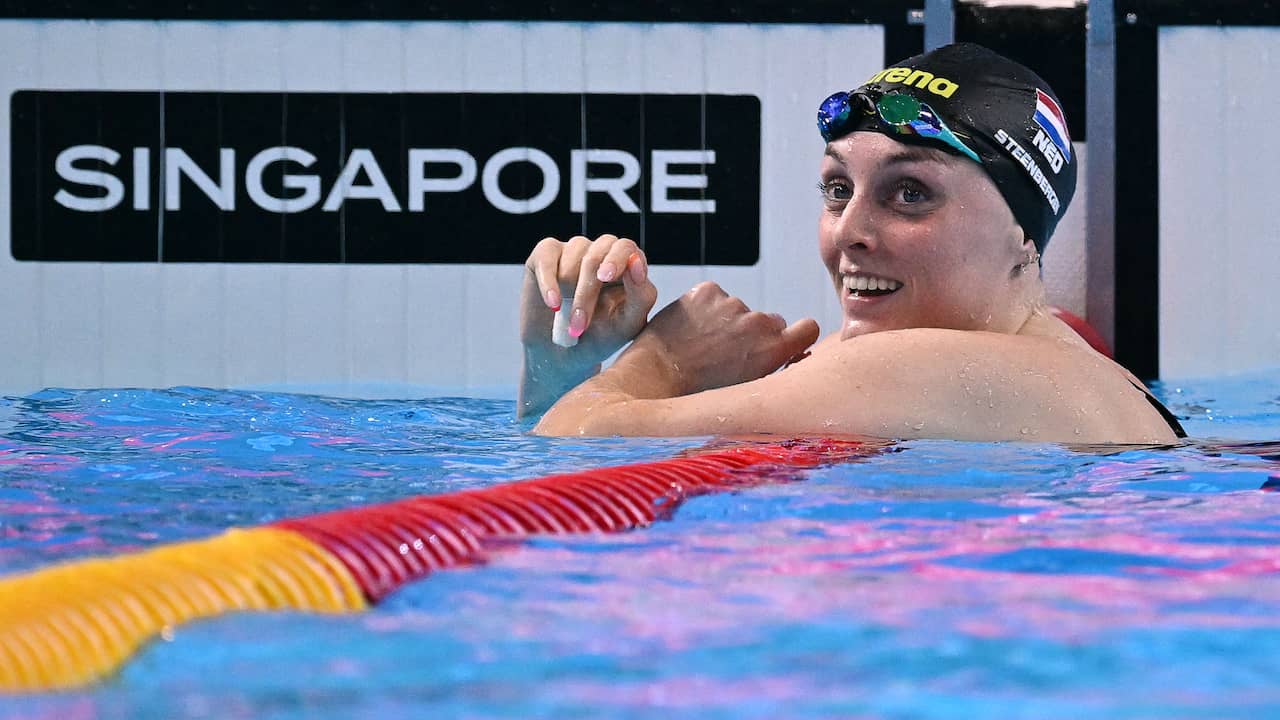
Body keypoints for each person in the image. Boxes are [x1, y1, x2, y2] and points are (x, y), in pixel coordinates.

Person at [517, 43, 1186, 444]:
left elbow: (576, 443)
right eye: (839, 190)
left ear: (1023, 238)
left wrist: (660, 360)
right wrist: (559, 360)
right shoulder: (1034, 364)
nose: (851, 233)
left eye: (910, 194)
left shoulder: (962, 367)